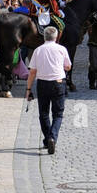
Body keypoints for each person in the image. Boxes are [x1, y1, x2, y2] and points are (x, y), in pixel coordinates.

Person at [26, 27, 72, 155]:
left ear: (44, 37)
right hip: (58, 82)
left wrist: (28, 89)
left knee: (44, 113)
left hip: (43, 83)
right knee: (58, 113)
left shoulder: (38, 50)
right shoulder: (62, 49)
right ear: (56, 37)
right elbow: (68, 66)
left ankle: (47, 139)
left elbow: (32, 72)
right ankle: (52, 136)